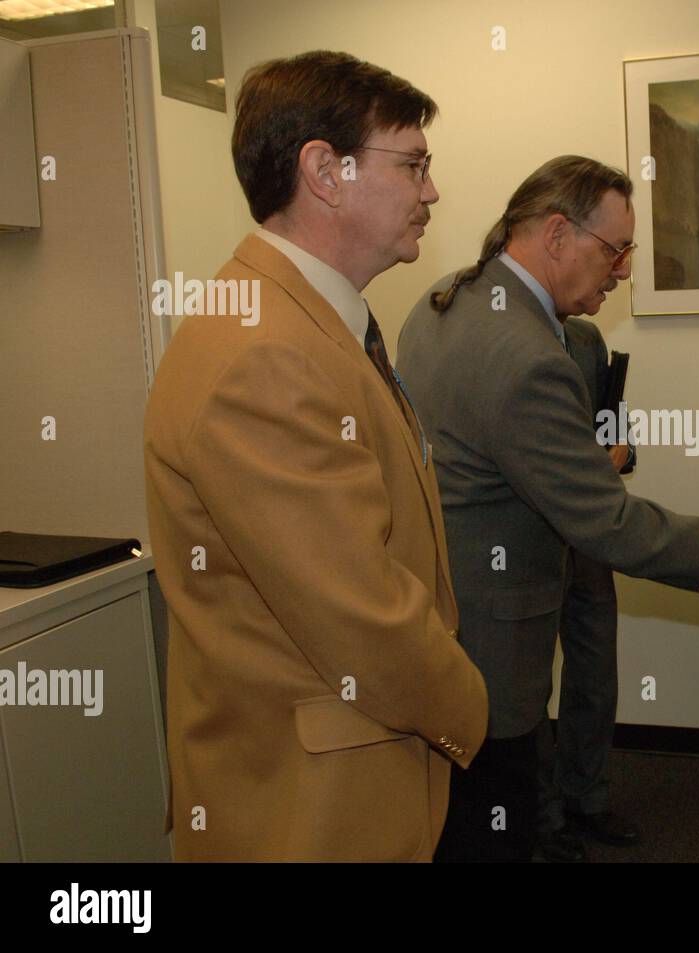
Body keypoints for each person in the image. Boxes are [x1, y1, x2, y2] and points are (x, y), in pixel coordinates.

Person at [396, 154, 699, 863]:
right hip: (494, 645)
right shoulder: (526, 355)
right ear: (557, 235)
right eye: (616, 251)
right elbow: (607, 522)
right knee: (494, 822)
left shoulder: (441, 299)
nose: (621, 272)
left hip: (437, 618)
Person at [143, 51, 487, 860]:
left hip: (347, 765)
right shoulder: (266, 352)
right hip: (307, 804)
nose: (431, 191)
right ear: (324, 173)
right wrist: (474, 707)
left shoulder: (308, 322)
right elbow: (361, 613)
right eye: (414, 164)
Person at [535, 315, 640, 863]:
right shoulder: (503, 328)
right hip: (525, 534)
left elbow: (613, 426)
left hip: (590, 535)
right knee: (528, 684)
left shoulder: (586, 339)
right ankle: (540, 816)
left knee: (595, 672)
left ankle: (586, 797)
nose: (615, 270)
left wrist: (619, 451)